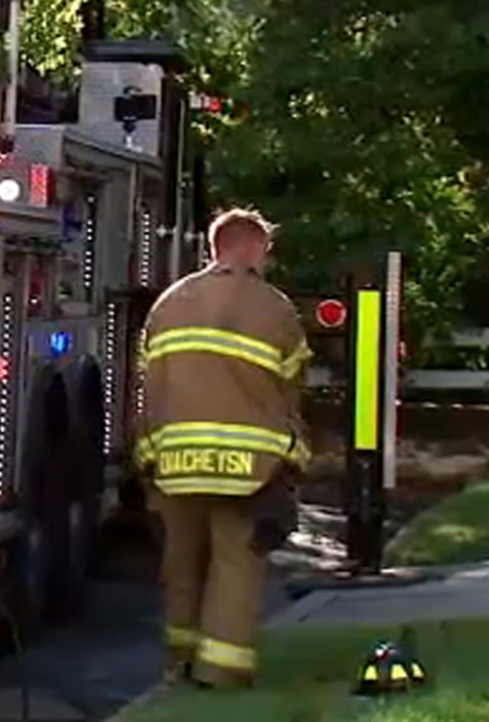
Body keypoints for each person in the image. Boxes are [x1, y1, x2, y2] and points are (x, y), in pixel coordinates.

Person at [131, 207, 312, 690]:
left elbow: (146, 383)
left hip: (174, 463)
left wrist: (146, 455)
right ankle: (221, 671)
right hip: (248, 467)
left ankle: (179, 664)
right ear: (254, 247)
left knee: (181, 566)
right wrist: (293, 456)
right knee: (236, 565)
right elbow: (293, 385)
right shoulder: (274, 308)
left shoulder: (168, 303)